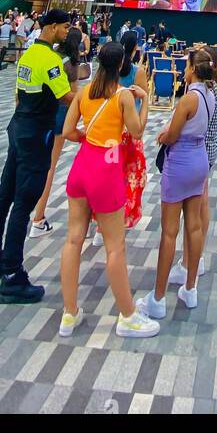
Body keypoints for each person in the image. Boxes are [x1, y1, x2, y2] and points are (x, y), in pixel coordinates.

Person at [59, 41, 158, 339]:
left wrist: (85, 140)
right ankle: (128, 315)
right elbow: (137, 131)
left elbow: (67, 132)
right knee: (115, 247)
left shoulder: (84, 93)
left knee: (73, 240)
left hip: (82, 165)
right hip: (107, 167)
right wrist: (147, 101)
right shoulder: (123, 96)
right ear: (120, 65)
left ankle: (69, 313)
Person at [0, 9, 74, 304]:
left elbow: (20, 94)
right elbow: (66, 97)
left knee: (4, 195)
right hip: (36, 133)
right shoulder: (50, 59)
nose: (68, 32)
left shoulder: (30, 54)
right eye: (65, 27)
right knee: (23, 202)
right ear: (54, 27)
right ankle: (12, 275)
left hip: (19, 126)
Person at [139, 50, 217, 318]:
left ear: (193, 69)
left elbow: (172, 135)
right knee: (194, 225)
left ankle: (158, 299)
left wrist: (162, 136)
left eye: (186, 66)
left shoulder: (188, 99)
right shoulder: (211, 95)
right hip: (200, 161)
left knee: (169, 232)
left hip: (180, 163)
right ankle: (190, 288)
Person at [170, 46, 217, 287]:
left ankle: (192, 261)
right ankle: (192, 259)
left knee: (197, 209)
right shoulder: (213, 90)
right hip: (206, 150)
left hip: (199, 150)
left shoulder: (202, 94)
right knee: (200, 206)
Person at [30, 31, 86, 237]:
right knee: (49, 167)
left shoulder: (49, 57)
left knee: (35, 163)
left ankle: (27, 211)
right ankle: (38, 218)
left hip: (37, 113)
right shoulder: (70, 64)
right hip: (58, 116)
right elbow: (70, 96)